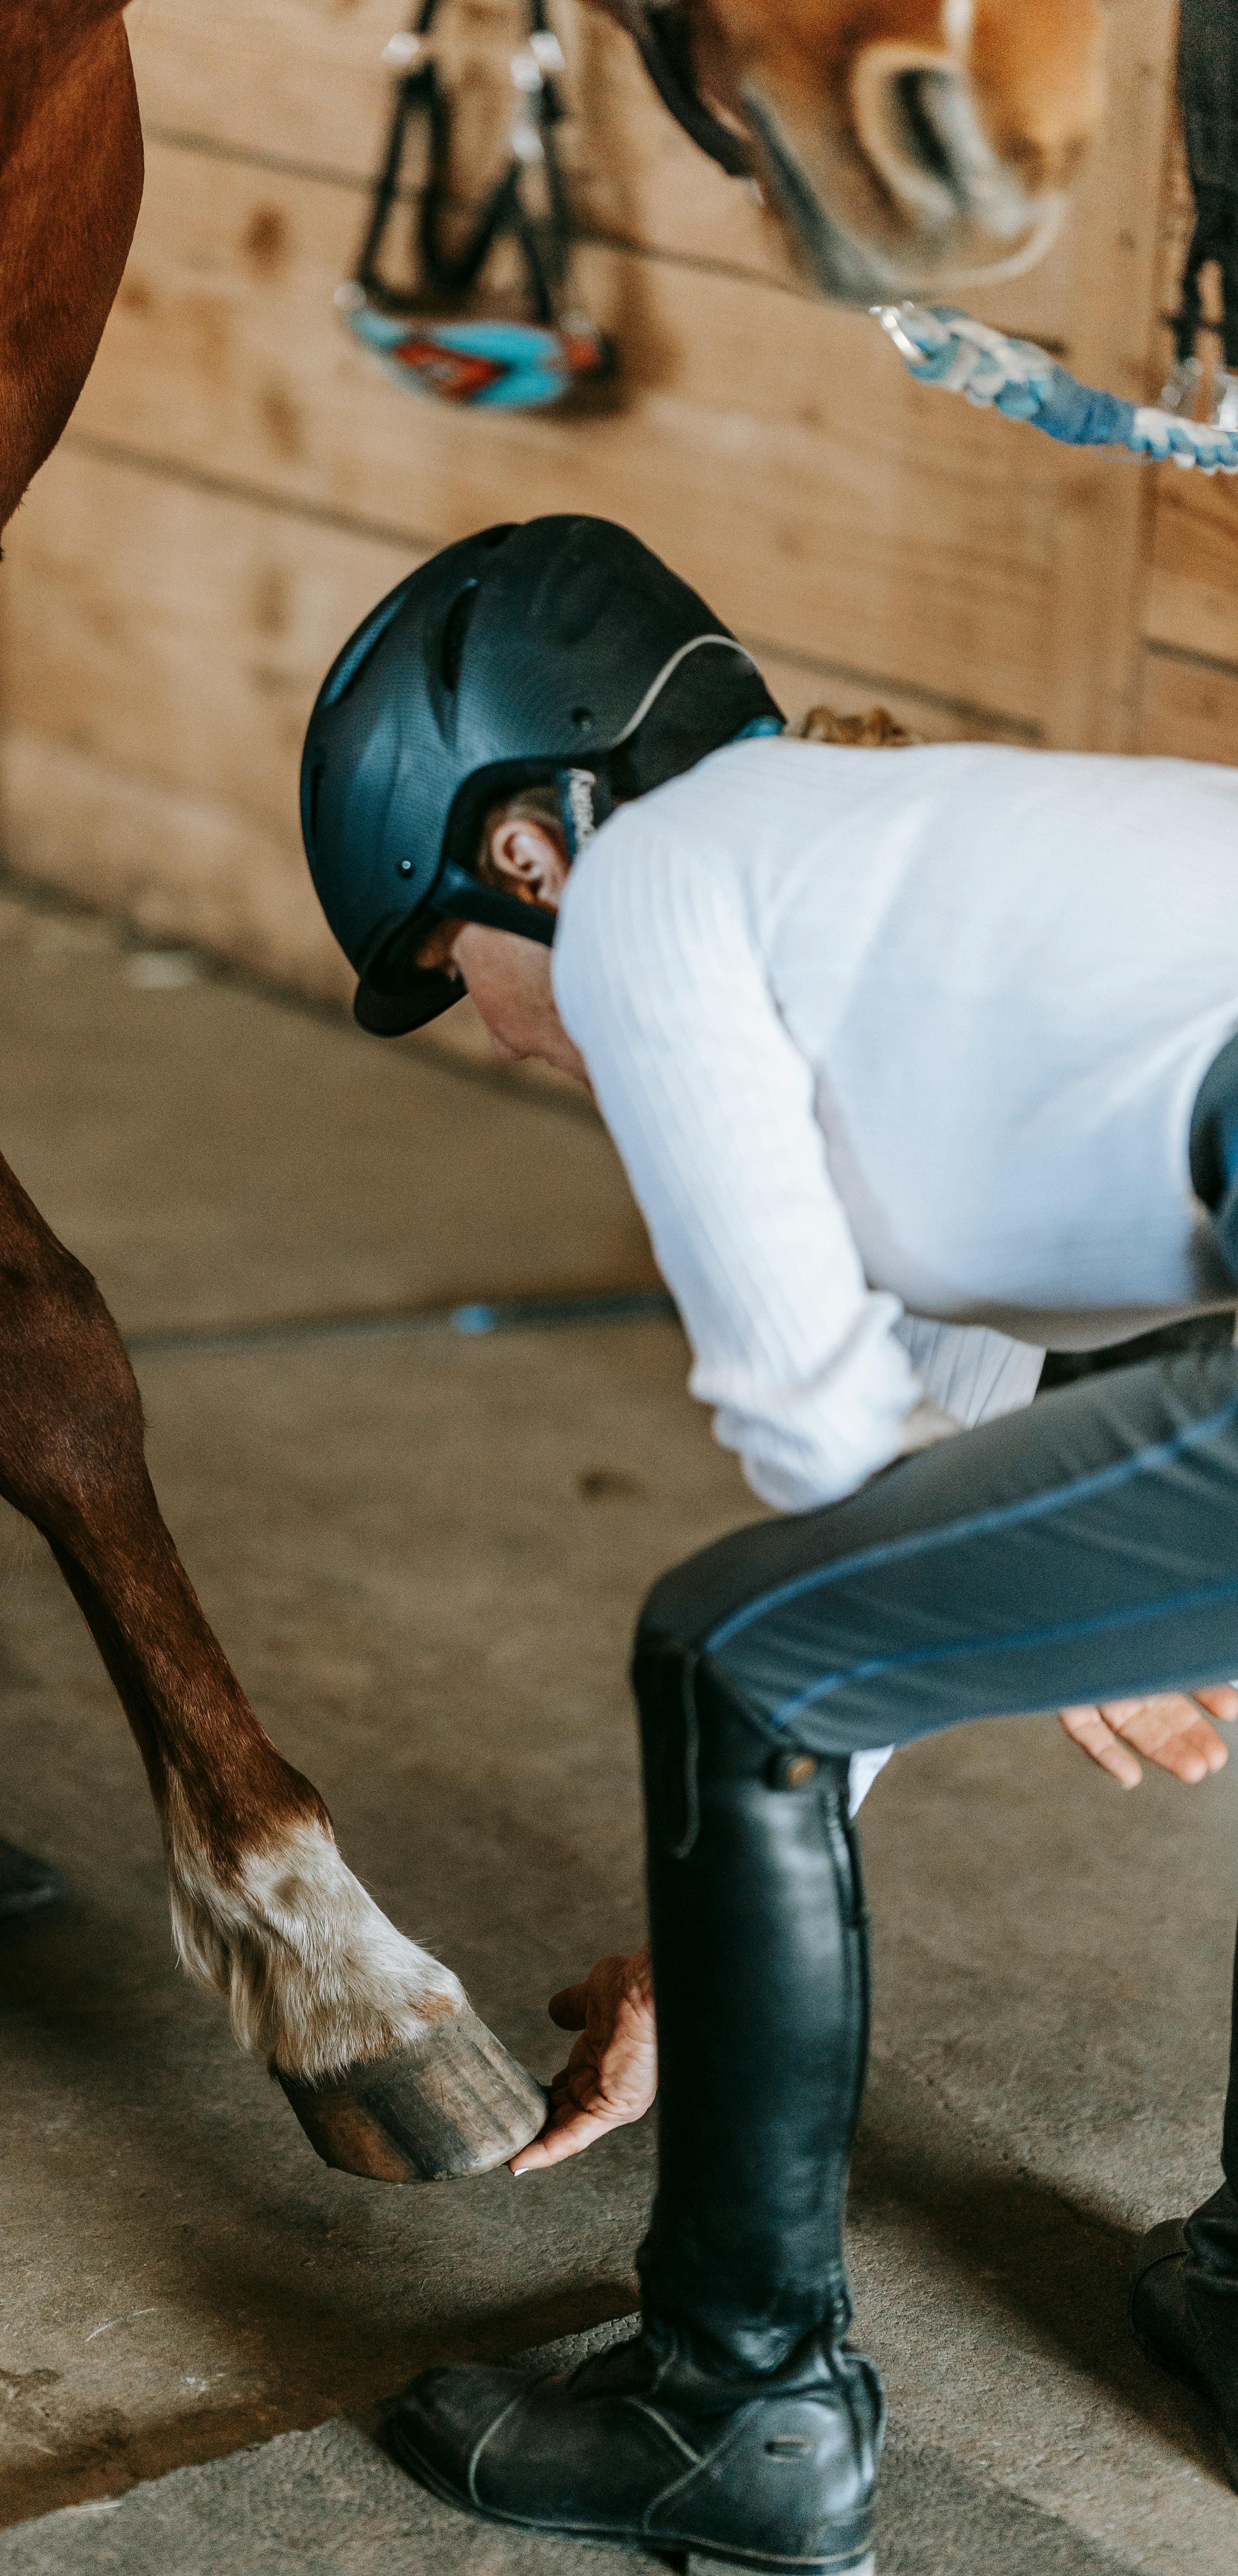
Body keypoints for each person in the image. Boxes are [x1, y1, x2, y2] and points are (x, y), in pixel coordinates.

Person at [298, 514, 1238, 2573]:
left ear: (529, 855)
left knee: (726, 1655)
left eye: (461, 976)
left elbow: (824, 1475)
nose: (502, 1038)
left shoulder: (662, 911)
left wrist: (1021, 1603)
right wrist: (712, 1961)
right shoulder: (890, 890)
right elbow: (930, 1463)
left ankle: (741, 2408)